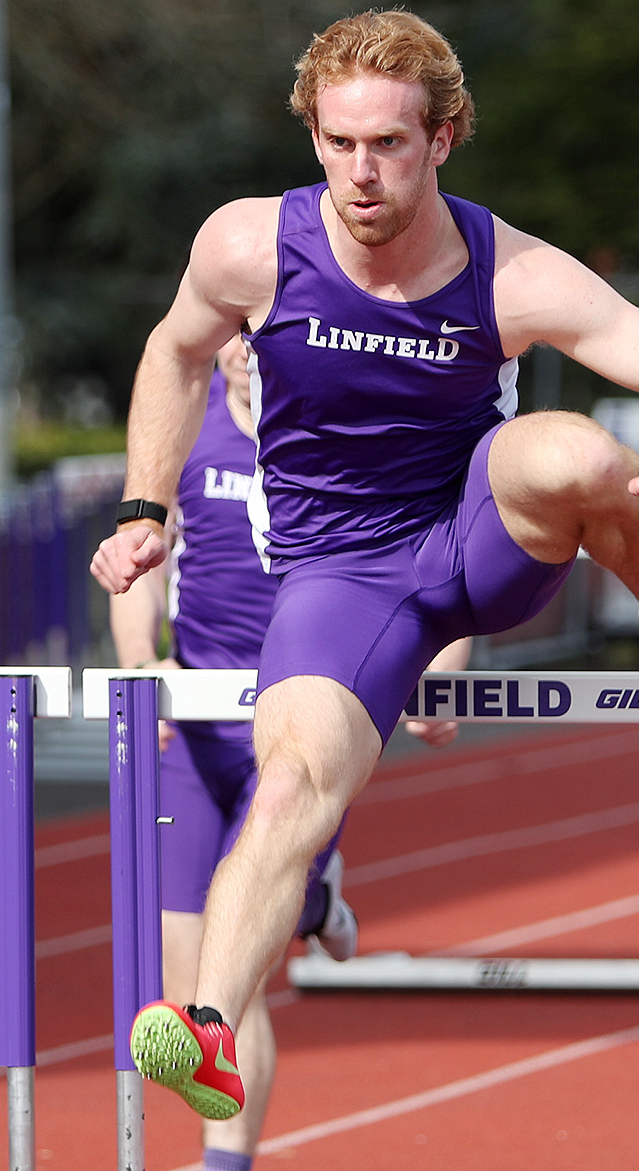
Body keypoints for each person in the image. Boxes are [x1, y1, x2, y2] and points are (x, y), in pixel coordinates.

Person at [88, 8, 639, 1123]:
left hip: (478, 540)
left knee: (579, 454)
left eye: (388, 144)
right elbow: (173, 351)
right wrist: (147, 505)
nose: (361, 172)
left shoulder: (509, 272)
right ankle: (210, 1028)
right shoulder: (249, 246)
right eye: (339, 143)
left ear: (442, 138)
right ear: (313, 136)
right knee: (293, 780)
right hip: (341, 576)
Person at [110, 333, 468, 1167]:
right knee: (187, 979)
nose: (243, 350)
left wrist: (442, 670)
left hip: (302, 723)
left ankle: (224, 1162)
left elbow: (433, 554)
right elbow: (140, 562)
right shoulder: (189, 428)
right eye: (230, 335)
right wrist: (139, 664)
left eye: (258, 334)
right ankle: (313, 902)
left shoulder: (339, 428)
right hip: (196, 733)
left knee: (237, 976)